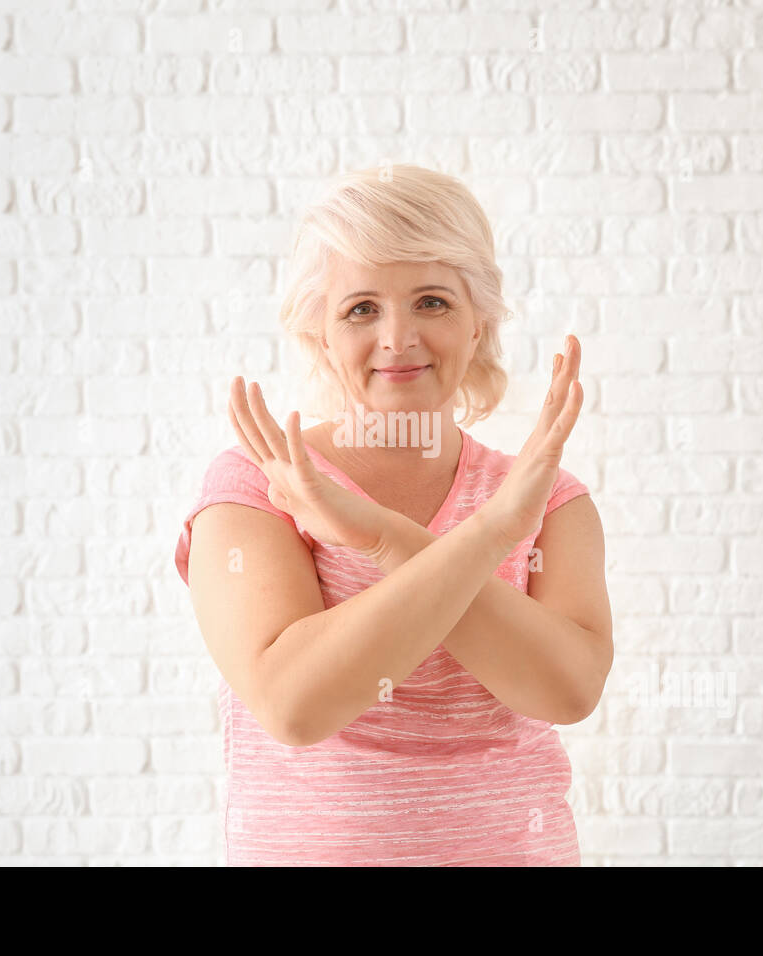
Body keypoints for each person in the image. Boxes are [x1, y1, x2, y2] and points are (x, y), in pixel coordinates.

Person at [174, 164, 613, 866]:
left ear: (479, 326)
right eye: (361, 309)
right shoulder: (259, 487)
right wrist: (486, 535)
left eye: (433, 302)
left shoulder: (543, 500)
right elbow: (294, 703)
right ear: (320, 334)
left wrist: (389, 537)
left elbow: (566, 690)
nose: (399, 337)